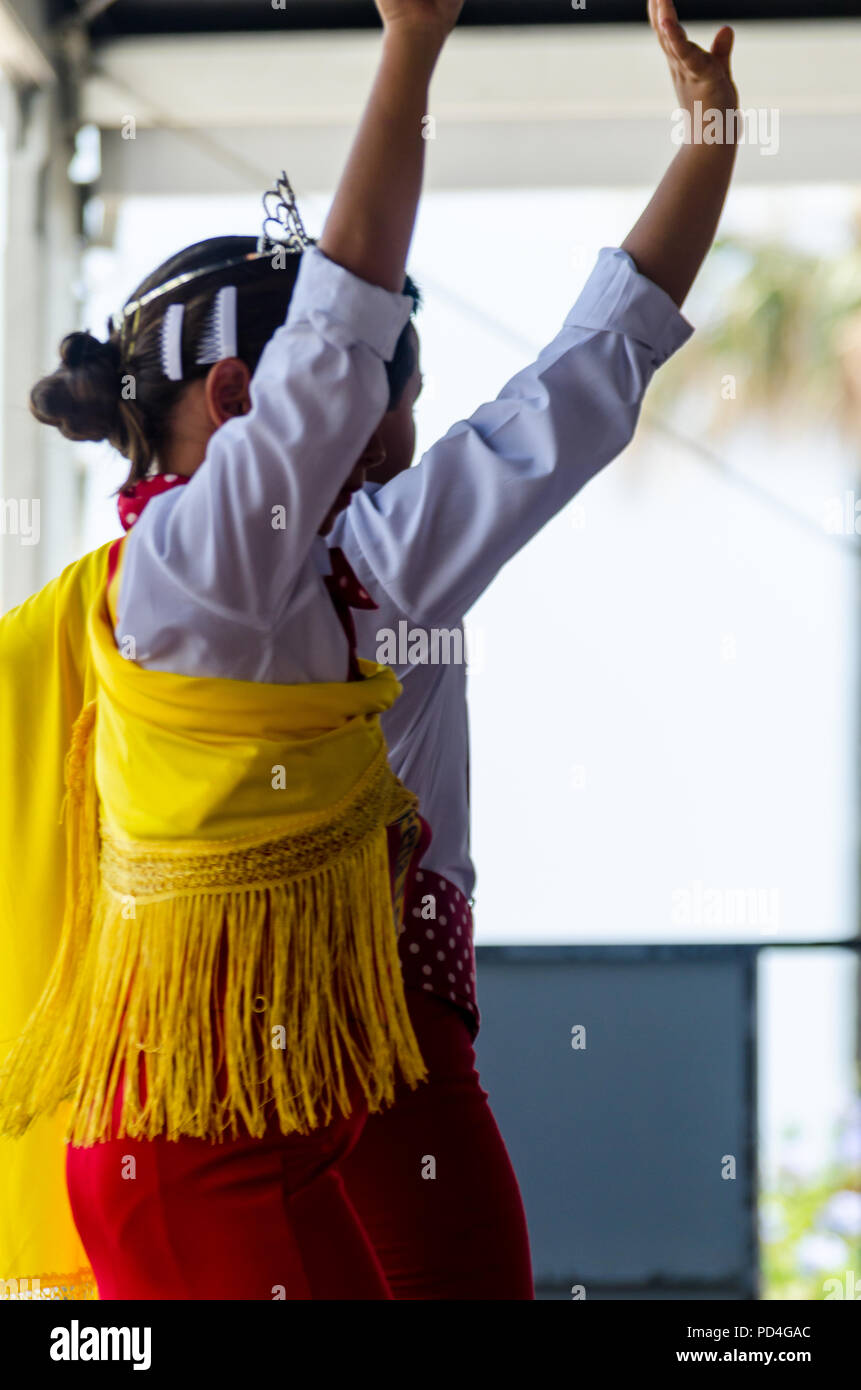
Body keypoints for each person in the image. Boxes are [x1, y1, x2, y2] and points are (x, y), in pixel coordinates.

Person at [0, 0, 466, 1301]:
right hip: (206, 1107)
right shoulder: (187, 573)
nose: (380, 429)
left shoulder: (347, 564)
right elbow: (340, 332)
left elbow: (562, 403)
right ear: (242, 406)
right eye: (370, 398)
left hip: (287, 1082)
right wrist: (411, 47)